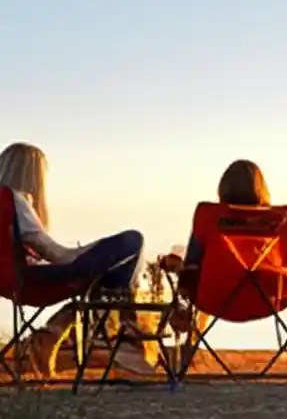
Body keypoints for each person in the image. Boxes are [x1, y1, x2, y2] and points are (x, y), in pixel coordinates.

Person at [0, 142, 153, 376]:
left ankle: (56, 330)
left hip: (9, 282)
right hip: (32, 280)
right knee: (132, 241)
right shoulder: (12, 200)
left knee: (107, 273)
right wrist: (93, 250)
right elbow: (59, 256)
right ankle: (121, 335)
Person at [161, 159, 271, 333]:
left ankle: (183, 316)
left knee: (183, 266)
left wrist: (175, 264)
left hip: (214, 297)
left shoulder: (209, 217)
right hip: (266, 299)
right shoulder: (276, 222)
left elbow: (192, 263)